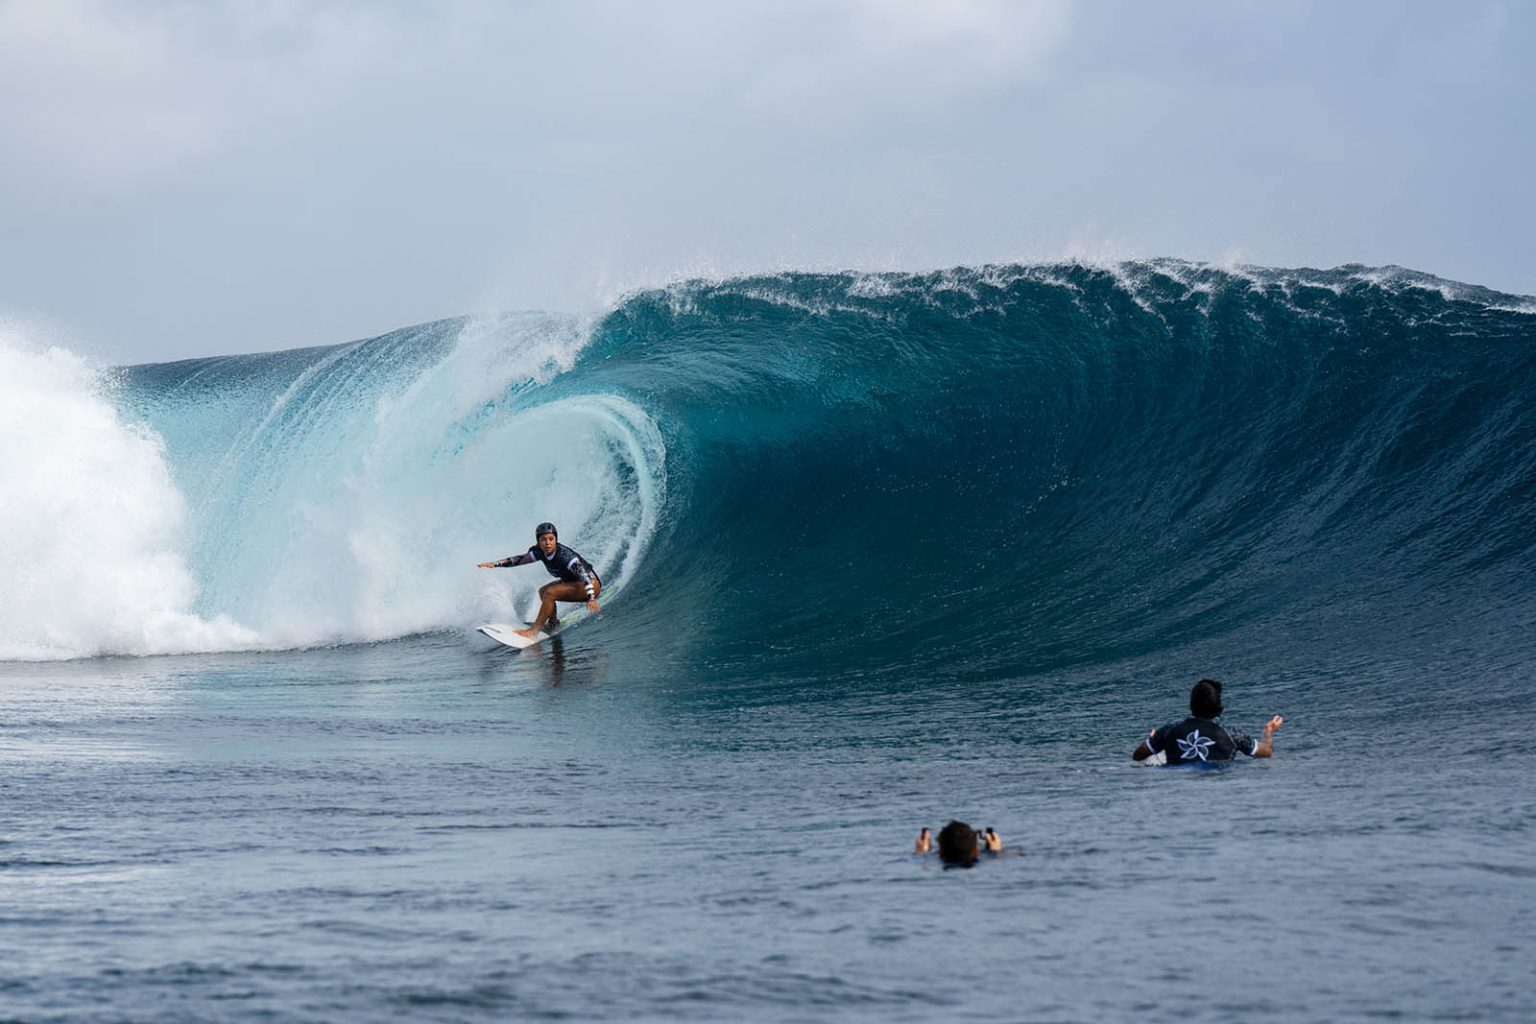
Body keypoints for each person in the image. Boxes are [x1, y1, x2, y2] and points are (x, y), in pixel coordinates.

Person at [478, 522, 601, 639]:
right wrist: (495, 564)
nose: (548, 543)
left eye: (551, 539)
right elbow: (519, 560)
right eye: (543, 539)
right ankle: (553, 624)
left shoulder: (565, 555)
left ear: (556, 539)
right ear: (538, 541)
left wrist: (591, 598)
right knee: (543, 591)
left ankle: (533, 631)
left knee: (550, 593)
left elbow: (584, 575)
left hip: (590, 584)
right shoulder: (541, 552)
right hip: (572, 582)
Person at [1132, 678, 1283, 765]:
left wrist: (1153, 740)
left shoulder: (1169, 730)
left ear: (1191, 704)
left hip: (1177, 781)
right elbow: (1266, 752)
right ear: (1218, 707)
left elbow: (1138, 755)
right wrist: (1268, 731)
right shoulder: (1233, 734)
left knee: (1154, 759)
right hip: (1219, 783)